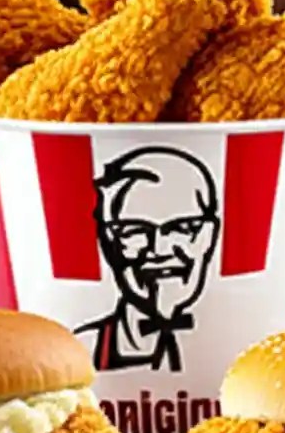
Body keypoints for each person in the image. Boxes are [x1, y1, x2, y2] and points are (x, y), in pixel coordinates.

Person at [76, 146, 220, 372]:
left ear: (209, 236)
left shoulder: (251, 345)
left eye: (182, 228)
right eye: (134, 231)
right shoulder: (79, 351)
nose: (160, 250)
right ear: (107, 241)